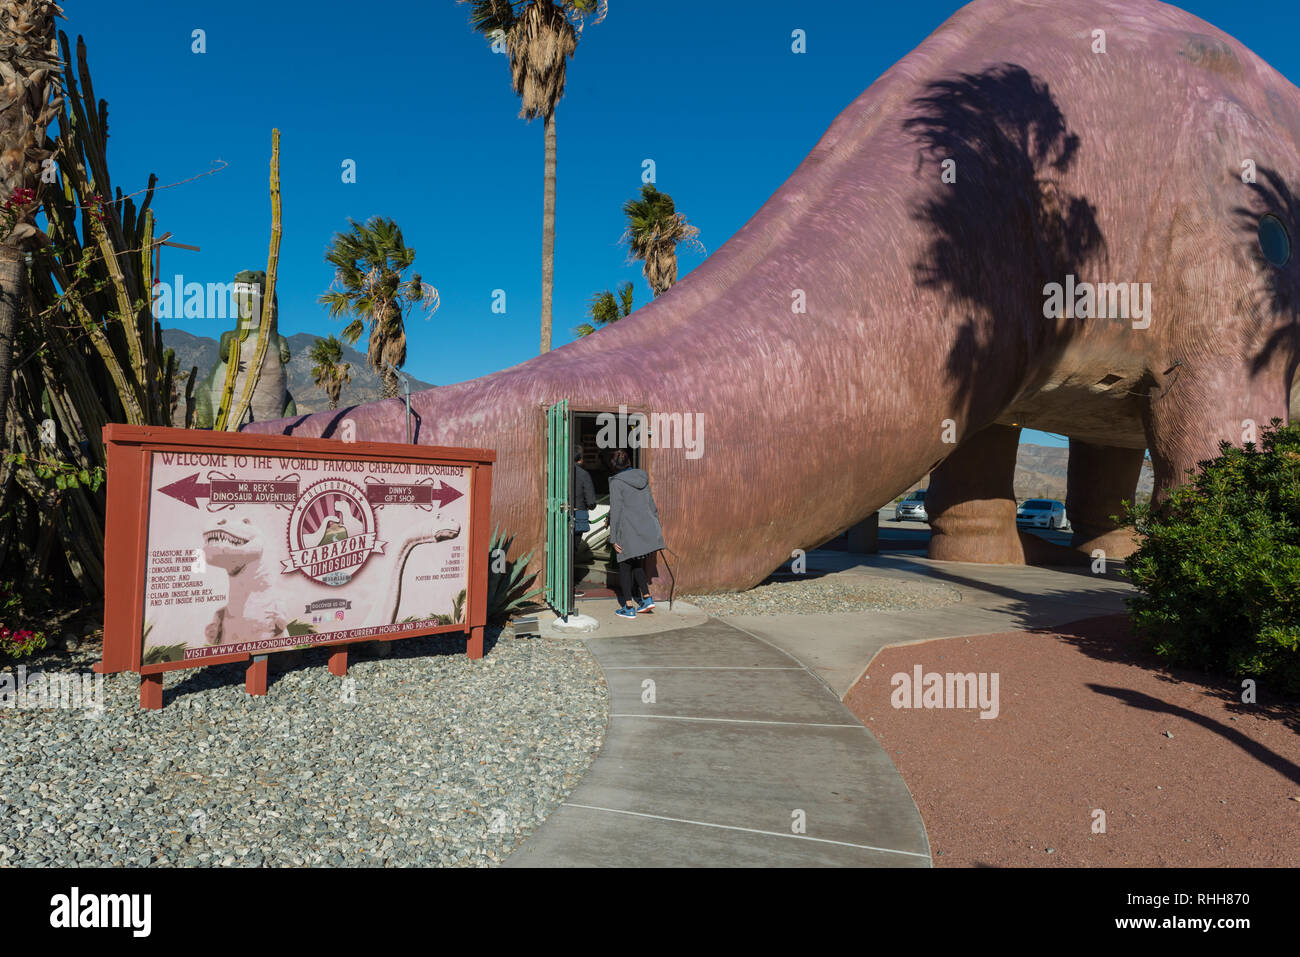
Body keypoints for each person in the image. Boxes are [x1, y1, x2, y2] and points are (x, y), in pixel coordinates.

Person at [607, 448, 664, 619]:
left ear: (613, 466)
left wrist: (614, 537)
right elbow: (652, 506)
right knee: (637, 564)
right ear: (629, 462)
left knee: (624, 567)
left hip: (627, 529)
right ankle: (647, 598)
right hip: (644, 529)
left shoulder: (616, 482)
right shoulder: (642, 478)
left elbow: (616, 511)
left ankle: (628, 608)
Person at [572, 449, 596, 602]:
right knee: (572, 551)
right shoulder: (583, 474)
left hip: (557, 515)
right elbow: (592, 502)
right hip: (577, 516)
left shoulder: (557, 472)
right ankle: (569, 587)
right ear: (580, 459)